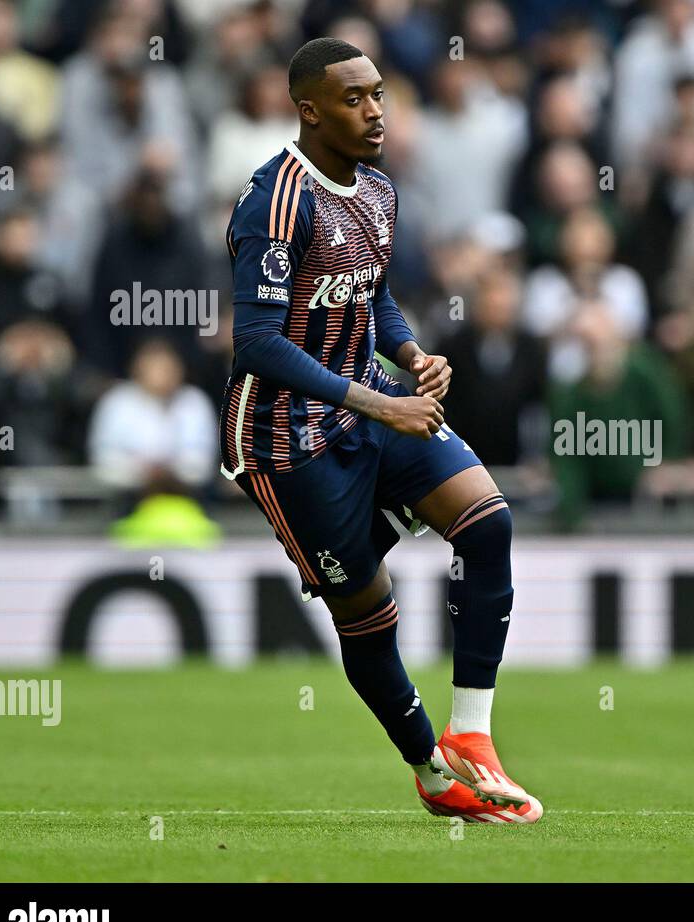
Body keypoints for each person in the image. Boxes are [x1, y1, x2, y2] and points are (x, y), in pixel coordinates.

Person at [220, 38, 540, 824]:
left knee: (488, 522)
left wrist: (410, 354)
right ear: (309, 110)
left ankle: (471, 736)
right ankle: (432, 772)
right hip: (282, 441)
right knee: (368, 609)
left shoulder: (379, 191)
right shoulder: (274, 202)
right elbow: (257, 342)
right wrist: (381, 401)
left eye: (379, 94)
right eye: (355, 98)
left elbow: (373, 294)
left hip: (365, 405)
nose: (375, 111)